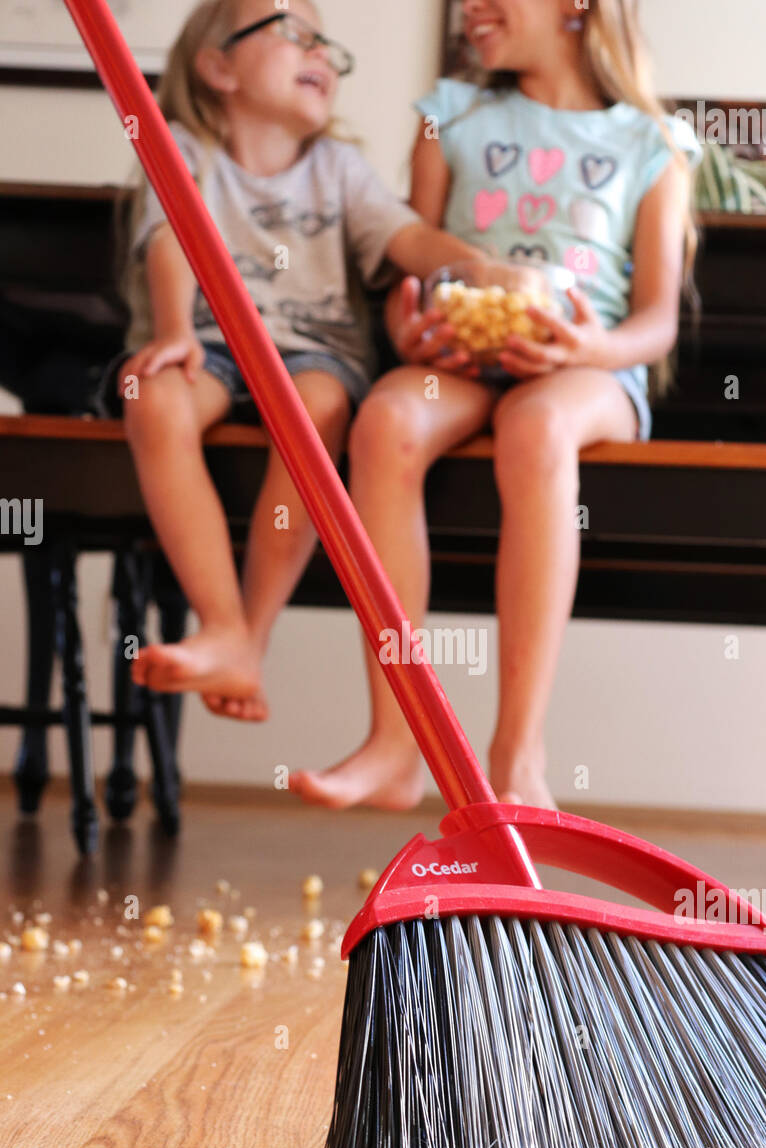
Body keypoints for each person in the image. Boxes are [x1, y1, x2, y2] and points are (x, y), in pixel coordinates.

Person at [291, 0, 701, 810]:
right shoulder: (451, 118)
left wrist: (590, 350)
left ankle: (517, 757)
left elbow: (655, 321)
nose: (470, 9)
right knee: (387, 421)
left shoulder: (652, 145)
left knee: (537, 426)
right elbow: (423, 262)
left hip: (588, 373)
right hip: (465, 360)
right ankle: (395, 740)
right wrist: (410, 328)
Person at [107, 0, 483, 721]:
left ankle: (251, 637)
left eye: (325, 44)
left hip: (314, 355)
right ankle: (220, 624)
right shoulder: (182, 149)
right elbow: (170, 233)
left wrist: (475, 265)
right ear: (218, 66)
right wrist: (179, 327)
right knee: (150, 397)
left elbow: (408, 239)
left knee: (315, 408)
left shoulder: (339, 168)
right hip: (207, 344)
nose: (319, 53)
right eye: (292, 34)